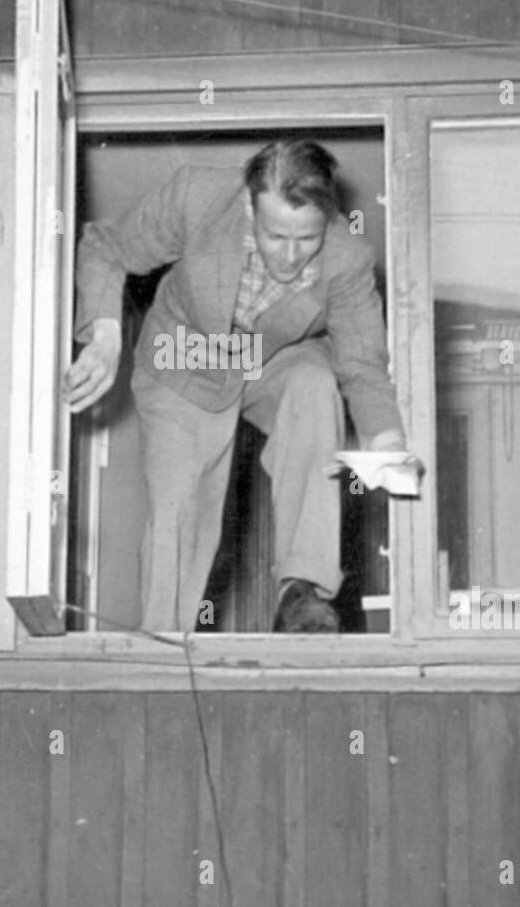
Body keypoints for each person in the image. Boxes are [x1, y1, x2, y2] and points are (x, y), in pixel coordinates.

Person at [64, 139, 414, 634]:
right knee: (178, 512)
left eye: (307, 239)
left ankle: (302, 590)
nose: (291, 256)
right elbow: (106, 247)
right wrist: (104, 338)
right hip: (184, 359)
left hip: (273, 360)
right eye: (275, 236)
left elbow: (364, 367)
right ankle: (163, 646)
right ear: (251, 207)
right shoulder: (198, 197)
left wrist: (387, 441)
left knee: (316, 383)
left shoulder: (348, 259)